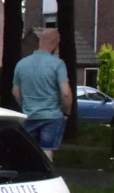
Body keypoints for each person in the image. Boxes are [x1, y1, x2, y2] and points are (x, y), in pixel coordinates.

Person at [13, 28, 71, 160]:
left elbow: (15, 91)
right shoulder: (57, 64)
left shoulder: (21, 64)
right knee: (46, 151)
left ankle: (30, 175)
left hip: (29, 115)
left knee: (29, 152)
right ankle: (47, 177)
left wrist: (25, 107)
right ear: (55, 43)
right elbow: (66, 93)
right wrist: (66, 111)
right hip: (52, 117)